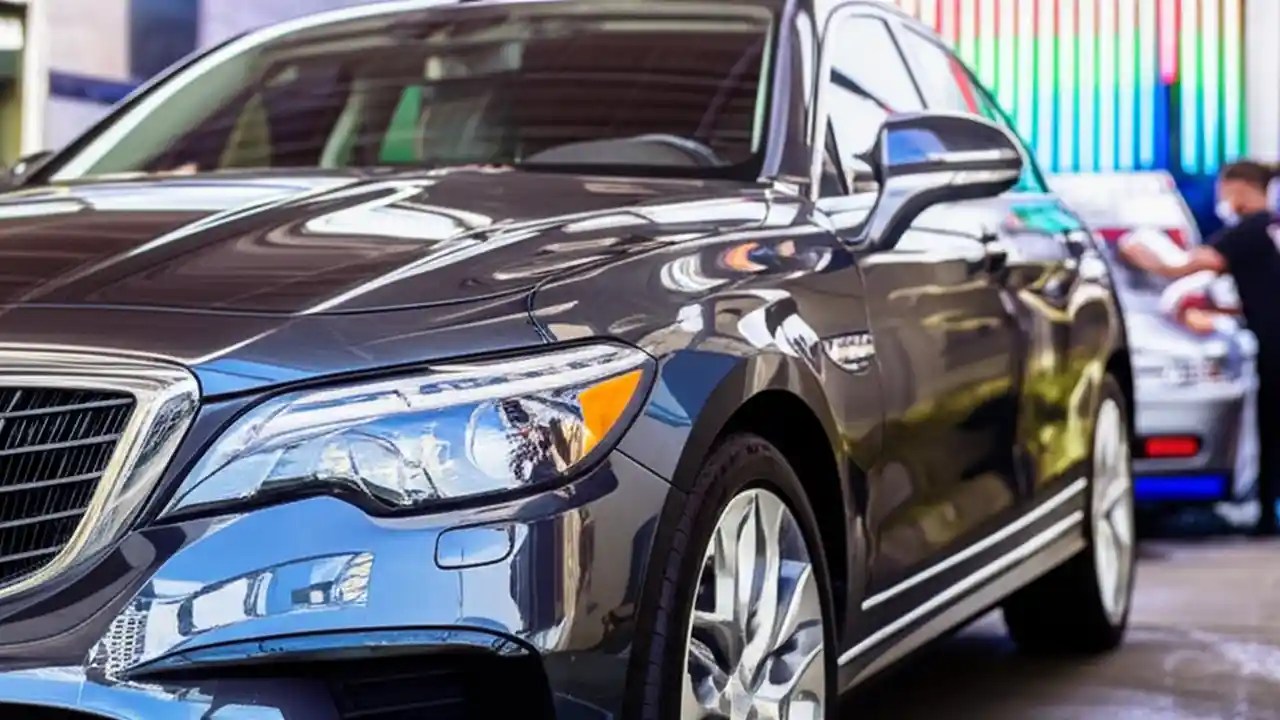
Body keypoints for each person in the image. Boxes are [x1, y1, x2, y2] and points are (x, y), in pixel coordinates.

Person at [1120, 161, 1280, 535]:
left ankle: (1264, 515)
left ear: (1239, 188)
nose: (1221, 200)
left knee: (1271, 428)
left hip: (1275, 347)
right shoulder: (1270, 227)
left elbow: (1181, 269)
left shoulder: (1244, 232)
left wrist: (1136, 250)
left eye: (1223, 191)